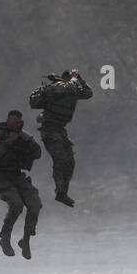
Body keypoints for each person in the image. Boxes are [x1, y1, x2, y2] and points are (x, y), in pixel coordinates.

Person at [0, 110, 42, 259]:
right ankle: (5, 238)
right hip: (3, 178)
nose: (17, 125)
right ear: (8, 122)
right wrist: (9, 141)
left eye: (19, 122)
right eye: (14, 122)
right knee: (17, 205)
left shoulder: (22, 136)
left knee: (35, 204)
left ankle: (26, 240)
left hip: (18, 176)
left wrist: (28, 138)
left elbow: (37, 153)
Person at [36, 68, 93, 207]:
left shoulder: (72, 89)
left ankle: (62, 193)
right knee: (60, 158)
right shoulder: (56, 88)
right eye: (71, 78)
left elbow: (89, 93)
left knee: (70, 162)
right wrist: (74, 78)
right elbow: (68, 87)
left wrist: (79, 78)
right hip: (49, 129)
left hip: (60, 130)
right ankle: (60, 191)